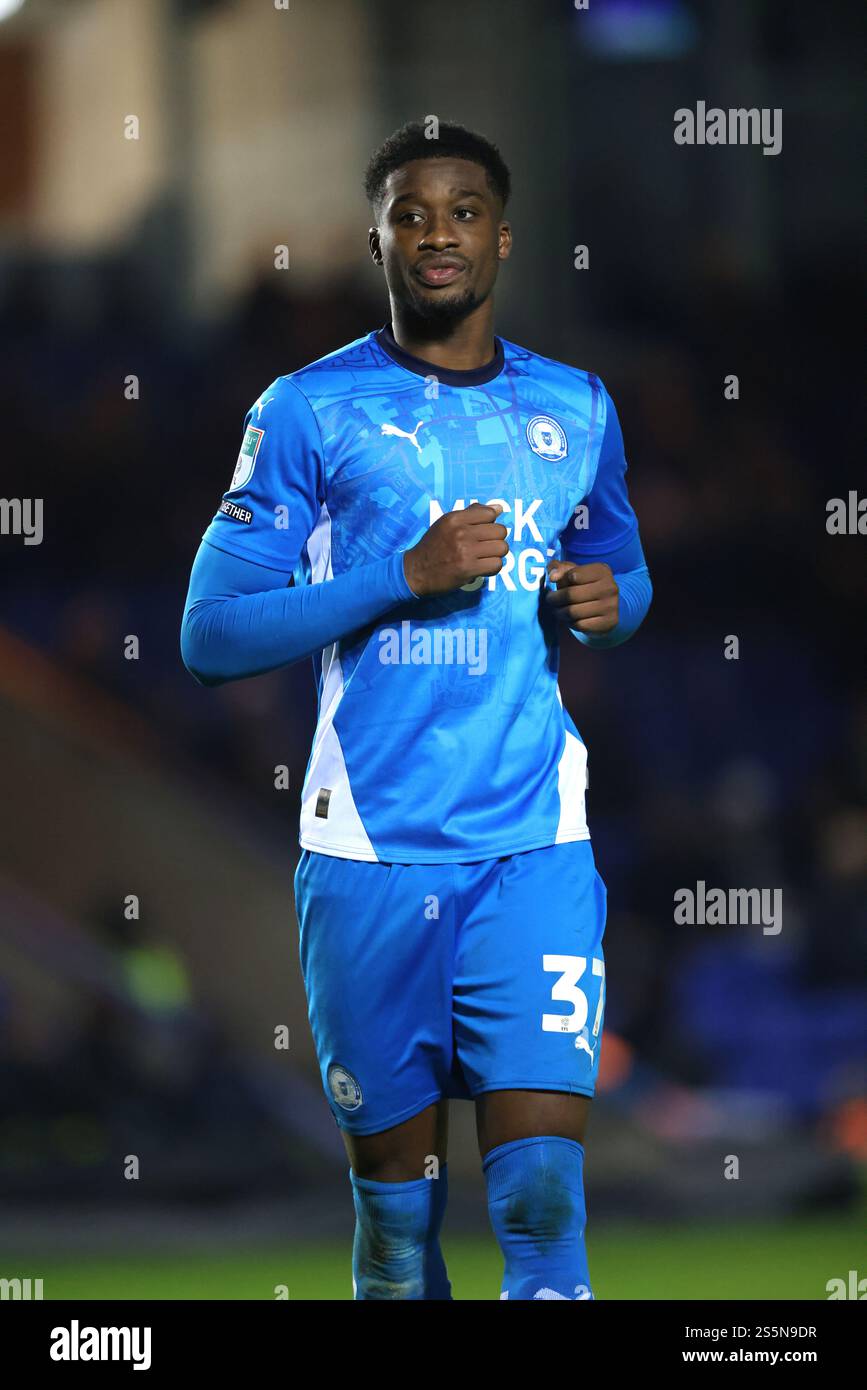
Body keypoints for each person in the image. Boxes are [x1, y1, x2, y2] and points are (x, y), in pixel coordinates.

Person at [181, 121, 652, 1300]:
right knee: (399, 1235)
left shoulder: (578, 407)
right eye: (409, 211)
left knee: (542, 1199)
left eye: (461, 208)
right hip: (368, 857)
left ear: (503, 233)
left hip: (532, 845)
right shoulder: (306, 409)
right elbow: (209, 636)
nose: (436, 230)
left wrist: (609, 600)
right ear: (378, 237)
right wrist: (403, 575)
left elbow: (624, 579)